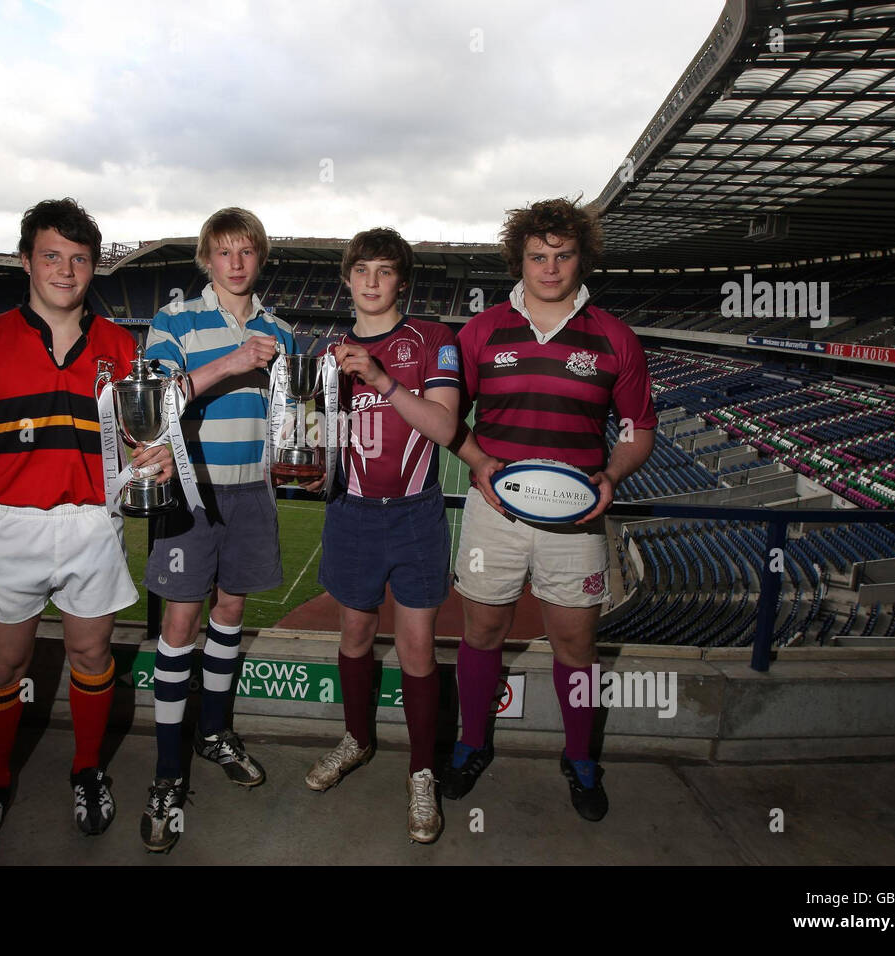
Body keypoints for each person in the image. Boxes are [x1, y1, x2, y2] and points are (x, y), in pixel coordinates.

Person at [0, 197, 173, 857]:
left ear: (93, 267)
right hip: (7, 527)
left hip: (93, 524)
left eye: (79, 258)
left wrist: (152, 451)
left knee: (92, 655)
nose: (65, 270)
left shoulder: (120, 345)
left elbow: (136, 437)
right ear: (26, 260)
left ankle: (87, 770)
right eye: (52, 255)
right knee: (5, 661)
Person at [444, 198, 655, 821]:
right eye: (538, 256)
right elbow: (449, 419)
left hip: (578, 520)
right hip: (496, 516)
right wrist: (480, 464)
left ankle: (581, 757)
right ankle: (471, 742)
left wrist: (612, 473)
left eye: (562, 255)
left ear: (580, 257)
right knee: (481, 633)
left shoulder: (615, 336)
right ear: (521, 259)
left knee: (575, 645)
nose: (550, 267)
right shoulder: (479, 332)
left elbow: (639, 430)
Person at [139, 207, 298, 852]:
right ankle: (167, 772)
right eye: (224, 251)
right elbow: (153, 402)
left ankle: (215, 733)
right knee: (180, 626)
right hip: (191, 491)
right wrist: (232, 361)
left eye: (247, 251)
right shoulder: (173, 320)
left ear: (259, 259)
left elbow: (288, 415)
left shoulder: (279, 331)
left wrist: (307, 445)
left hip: (252, 491)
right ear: (207, 259)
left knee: (229, 613)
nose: (236, 262)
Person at [305, 227, 460, 843]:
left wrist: (380, 377)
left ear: (402, 280)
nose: (371, 283)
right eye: (361, 270)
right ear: (348, 278)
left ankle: (422, 771)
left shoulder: (432, 341)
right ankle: (357, 738)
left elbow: (446, 428)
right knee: (355, 629)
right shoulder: (325, 351)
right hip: (351, 511)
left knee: (417, 645)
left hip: (415, 511)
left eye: (385, 271)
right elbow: (316, 436)